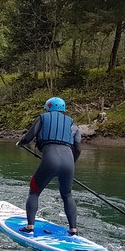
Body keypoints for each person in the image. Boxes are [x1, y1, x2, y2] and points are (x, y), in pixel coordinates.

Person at [15, 96, 82, 235]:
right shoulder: (73, 126)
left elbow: (29, 137)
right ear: (63, 109)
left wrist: (20, 142)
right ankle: (73, 229)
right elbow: (78, 148)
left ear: (48, 107)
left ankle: (30, 227)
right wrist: (71, 165)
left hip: (50, 159)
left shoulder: (43, 118)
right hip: (69, 161)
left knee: (34, 191)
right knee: (67, 195)